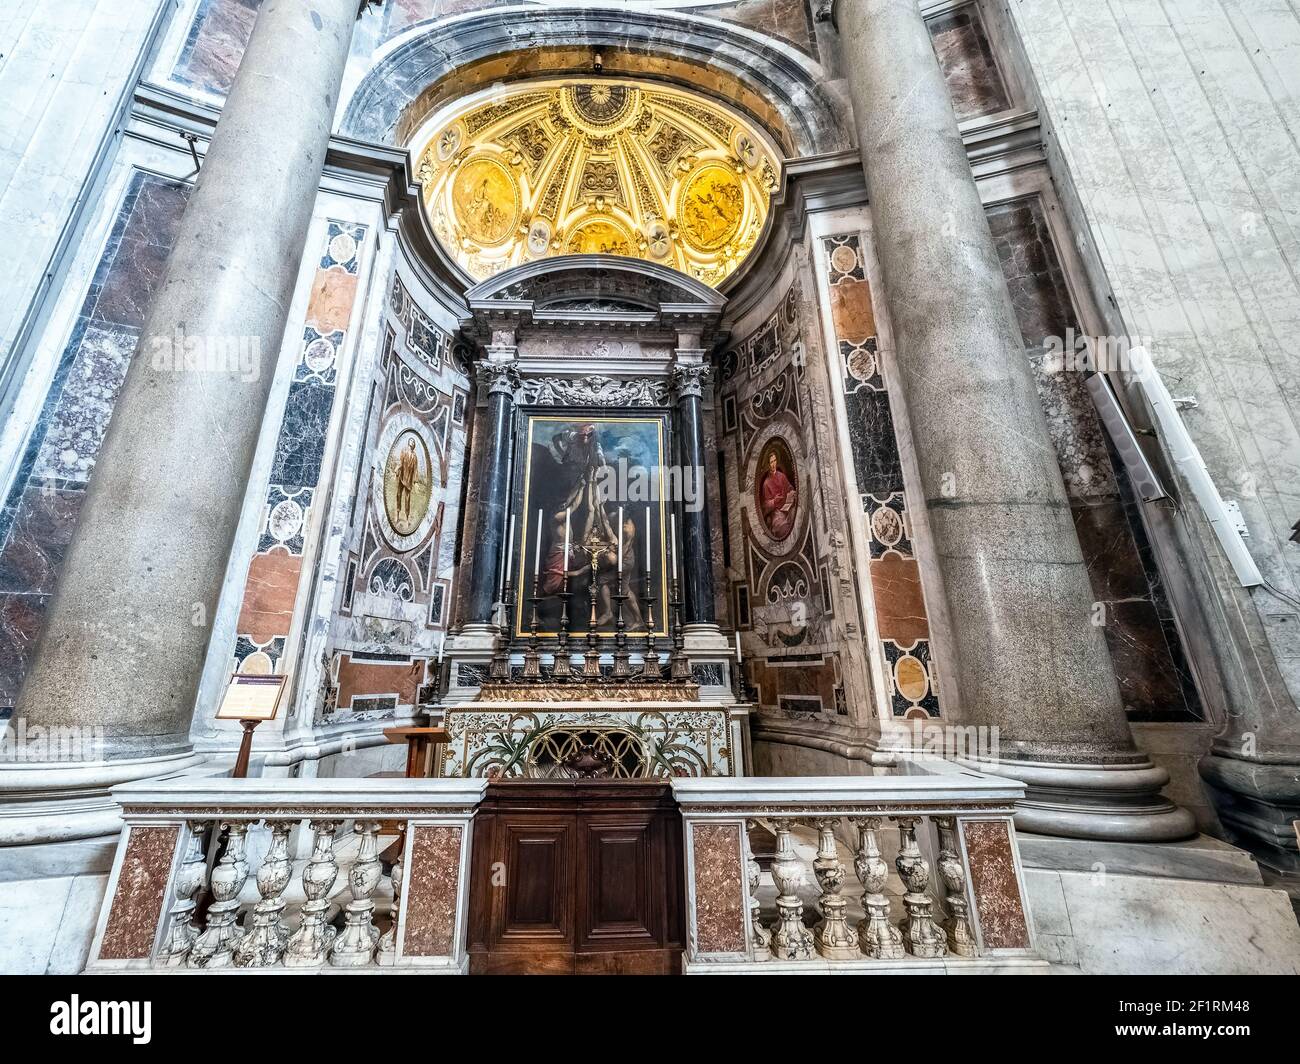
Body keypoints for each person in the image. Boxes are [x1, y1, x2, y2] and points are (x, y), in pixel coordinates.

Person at [760, 450, 796, 539]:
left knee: (796, 514)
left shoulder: (782, 476)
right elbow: (765, 504)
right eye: (771, 462)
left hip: (787, 507)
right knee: (783, 528)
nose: (773, 464)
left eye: (775, 461)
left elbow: (789, 488)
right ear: (768, 464)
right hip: (776, 513)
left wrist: (792, 493)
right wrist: (774, 501)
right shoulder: (766, 483)